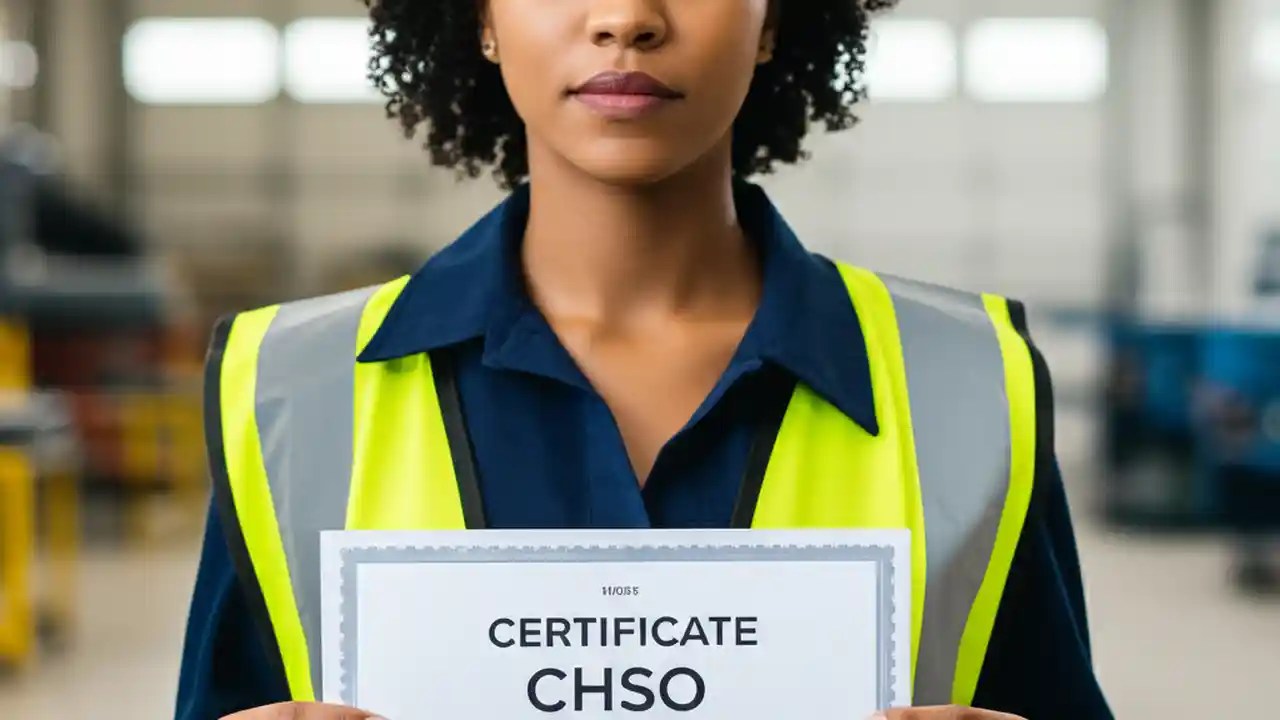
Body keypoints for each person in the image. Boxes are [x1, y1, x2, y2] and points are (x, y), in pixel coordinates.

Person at [175, 1, 1114, 719]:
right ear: (481, 19)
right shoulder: (291, 391)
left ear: (774, 20)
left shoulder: (966, 380)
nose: (628, 16)